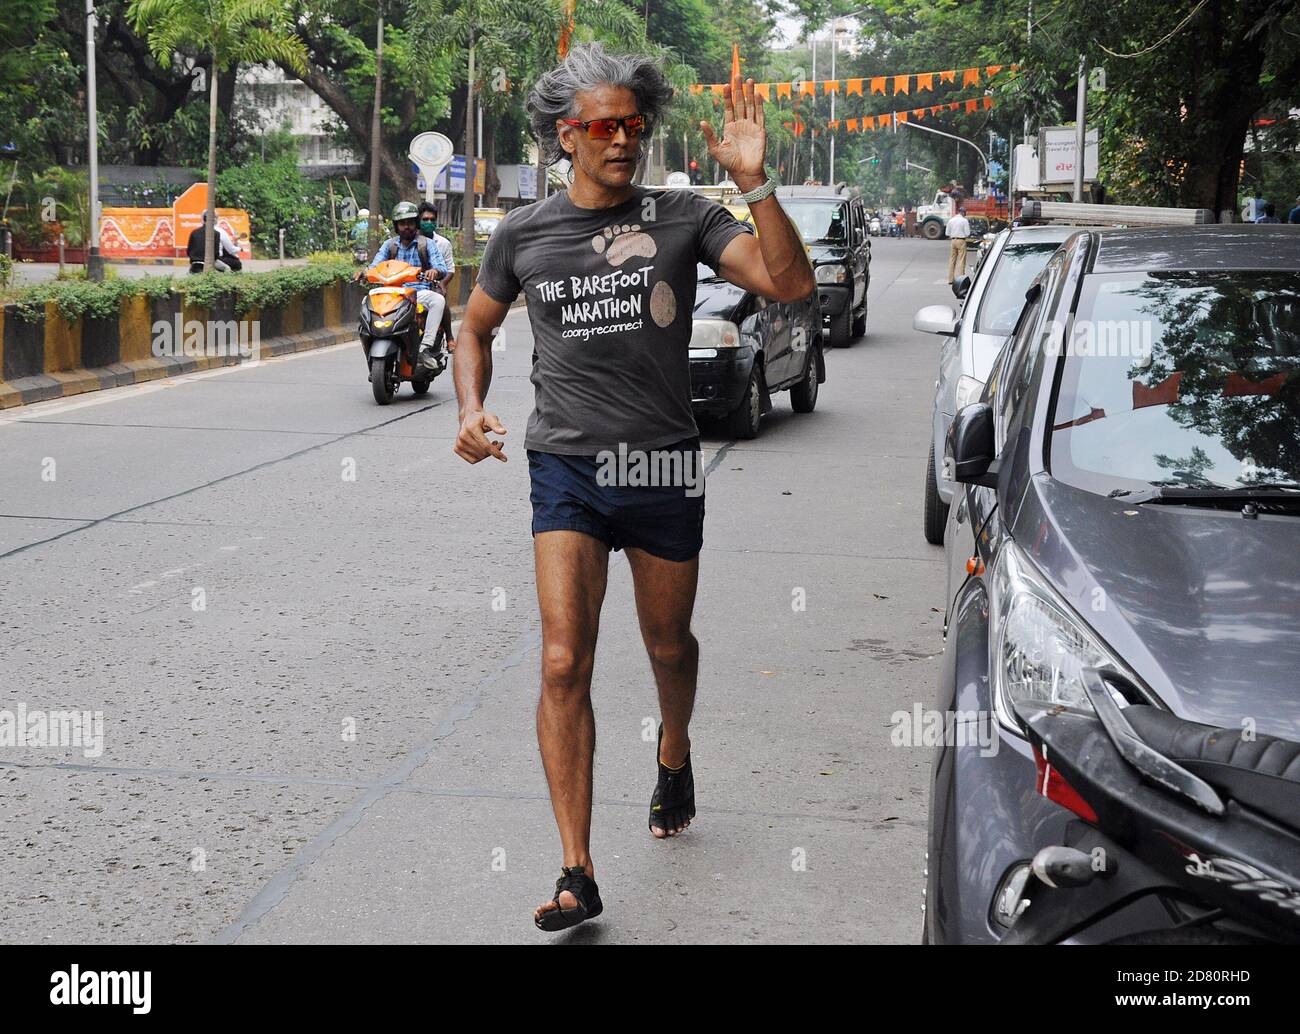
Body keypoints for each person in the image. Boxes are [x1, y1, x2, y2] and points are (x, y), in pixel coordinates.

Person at [451, 42, 815, 932]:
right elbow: (476, 328)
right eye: (603, 126)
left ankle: (675, 744)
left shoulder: (686, 216)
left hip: (658, 465)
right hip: (566, 466)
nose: (622, 139)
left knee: (667, 646)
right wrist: (470, 407)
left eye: (633, 124)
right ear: (565, 136)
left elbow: (790, 285)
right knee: (563, 659)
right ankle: (576, 869)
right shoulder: (524, 234)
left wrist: (757, 184)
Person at [357, 201, 451, 371]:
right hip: (392, 293)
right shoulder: (389, 245)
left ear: (416, 224)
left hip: (418, 292)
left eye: (410, 222)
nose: (406, 227)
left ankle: (425, 348)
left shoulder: (426, 244)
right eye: (402, 223)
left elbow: (442, 267)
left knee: (438, 300)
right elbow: (375, 265)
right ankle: (370, 341)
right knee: (367, 301)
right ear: (396, 226)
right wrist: (363, 273)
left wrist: (434, 272)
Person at [946, 206, 972, 283]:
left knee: (952, 260)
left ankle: (950, 279)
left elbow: (947, 233)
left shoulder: (951, 220)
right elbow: (967, 233)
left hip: (953, 241)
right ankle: (961, 280)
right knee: (961, 260)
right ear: (963, 213)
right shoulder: (964, 221)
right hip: (961, 241)